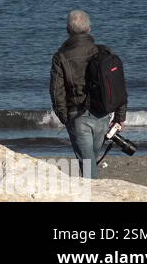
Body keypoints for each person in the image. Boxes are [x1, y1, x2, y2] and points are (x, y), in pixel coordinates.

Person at [50, 10, 126, 179]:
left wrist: (65, 118)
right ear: (89, 29)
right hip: (103, 115)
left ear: (68, 30)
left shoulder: (61, 57)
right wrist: (120, 116)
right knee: (90, 162)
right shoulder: (104, 52)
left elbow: (56, 92)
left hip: (78, 117)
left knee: (88, 167)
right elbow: (118, 85)